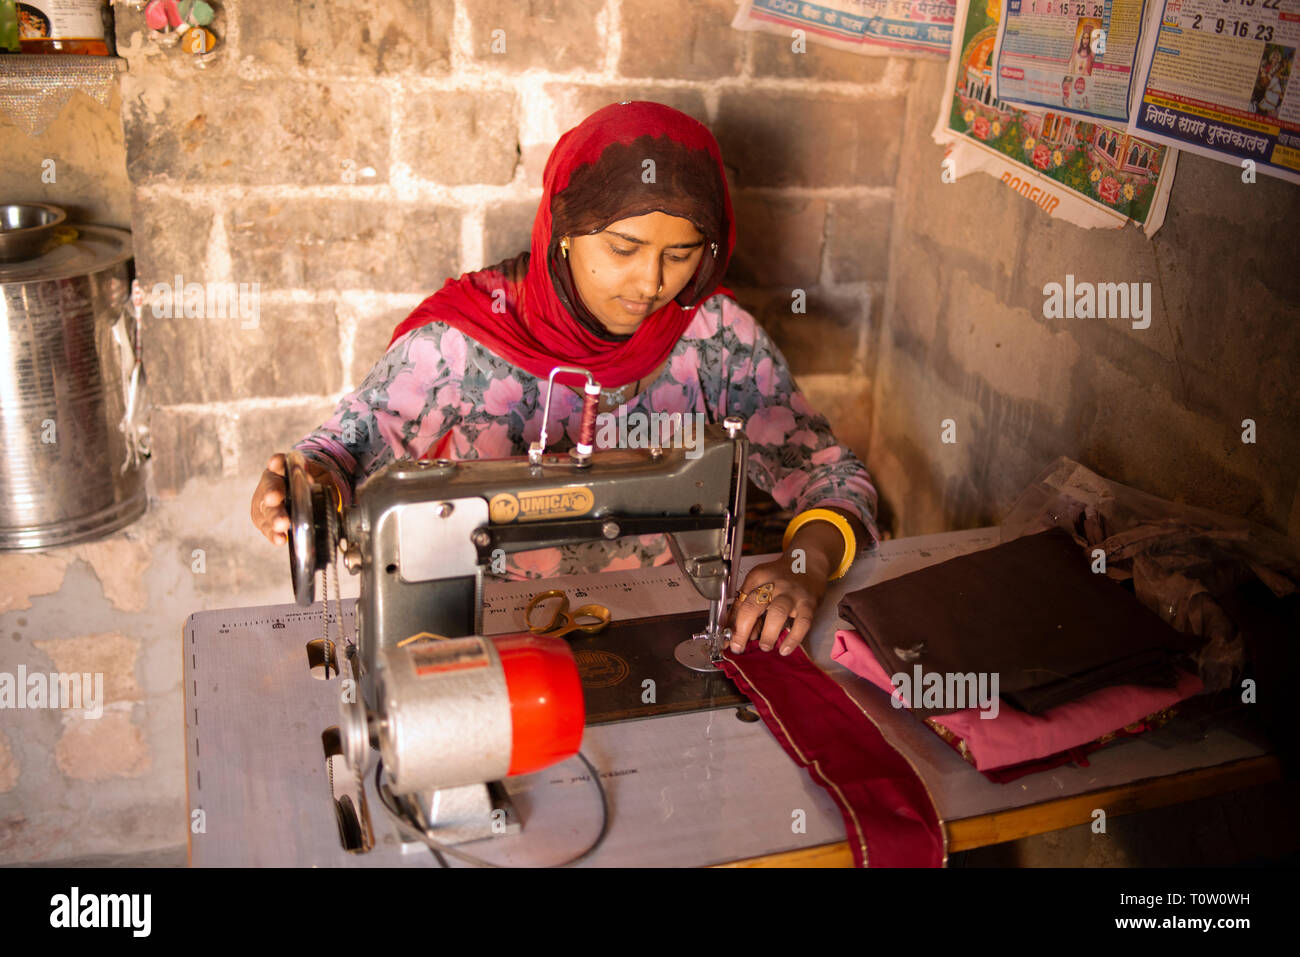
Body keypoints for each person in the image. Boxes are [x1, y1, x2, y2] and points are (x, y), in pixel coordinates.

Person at [249, 101, 882, 658]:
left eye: (681, 255)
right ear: (563, 233)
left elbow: (831, 474)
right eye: (623, 249)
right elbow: (342, 452)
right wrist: (304, 485)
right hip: (482, 621)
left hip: (668, 608)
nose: (652, 284)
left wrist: (808, 563)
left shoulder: (715, 337)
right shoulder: (462, 343)